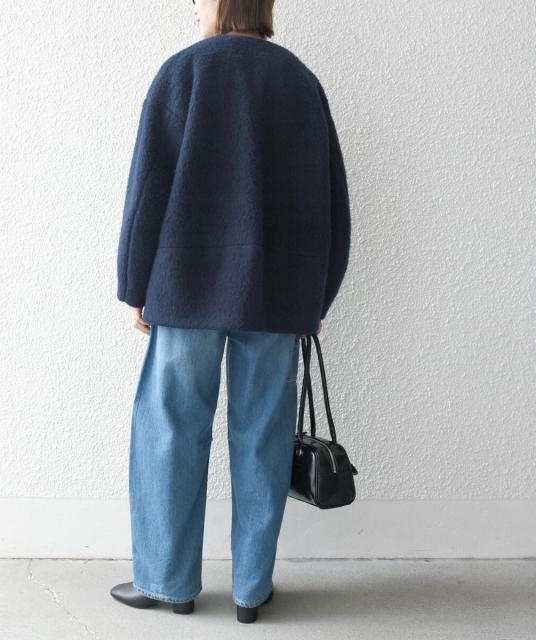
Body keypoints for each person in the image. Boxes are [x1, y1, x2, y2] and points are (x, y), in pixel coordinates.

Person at [111, 0, 351, 624]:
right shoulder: (299, 80)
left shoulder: (184, 72)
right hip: (275, 295)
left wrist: (135, 284)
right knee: (262, 435)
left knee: (169, 428)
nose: (192, 8)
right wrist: (317, 295)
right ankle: (251, 590)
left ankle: (167, 582)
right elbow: (332, 203)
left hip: (185, 289)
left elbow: (148, 189)